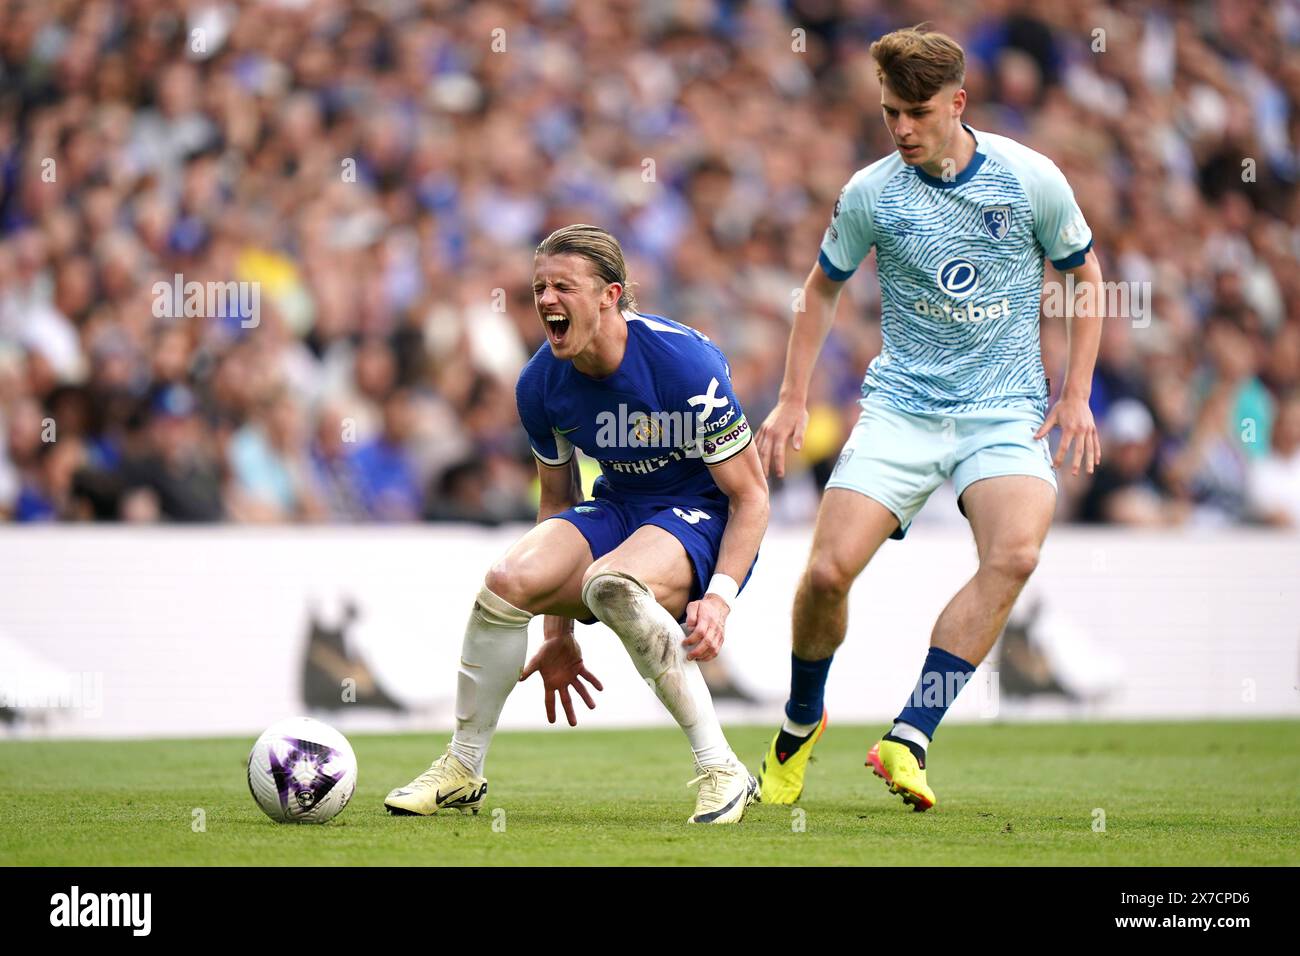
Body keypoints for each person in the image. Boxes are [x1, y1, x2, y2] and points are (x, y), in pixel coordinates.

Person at [754, 26, 1104, 812]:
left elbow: (1086, 276)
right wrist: (791, 396)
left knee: (1014, 555)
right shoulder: (872, 193)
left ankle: (910, 734)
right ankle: (802, 719)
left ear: (957, 103)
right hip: (902, 409)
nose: (903, 129)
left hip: (1003, 411)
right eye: (889, 114)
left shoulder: (1029, 179)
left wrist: (1075, 392)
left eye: (916, 112)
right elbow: (819, 290)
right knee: (824, 572)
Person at [385, 224, 769, 824]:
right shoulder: (540, 383)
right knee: (506, 580)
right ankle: (462, 768)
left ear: (610, 295)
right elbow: (556, 503)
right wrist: (556, 635)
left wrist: (719, 599)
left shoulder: (682, 364)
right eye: (539, 288)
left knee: (611, 582)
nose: (544, 301)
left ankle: (722, 769)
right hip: (619, 508)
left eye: (562, 286)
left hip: (702, 514)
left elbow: (751, 496)